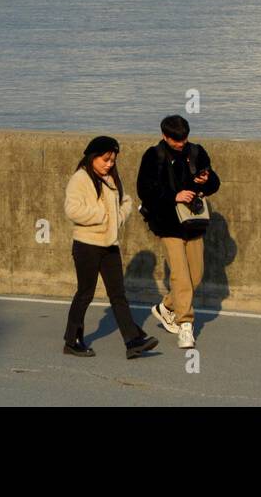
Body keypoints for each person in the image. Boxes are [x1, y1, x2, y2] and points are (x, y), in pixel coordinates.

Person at [63, 135, 158, 359]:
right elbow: (72, 209)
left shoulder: (110, 179)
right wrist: (104, 216)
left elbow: (127, 201)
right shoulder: (81, 178)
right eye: (105, 159)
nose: (109, 164)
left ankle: (132, 341)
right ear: (93, 157)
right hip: (87, 245)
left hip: (110, 245)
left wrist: (117, 217)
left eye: (112, 160)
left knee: (118, 294)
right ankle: (72, 340)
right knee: (85, 293)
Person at [135, 115, 221, 350]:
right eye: (176, 140)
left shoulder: (196, 152)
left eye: (183, 138)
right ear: (165, 136)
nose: (181, 143)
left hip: (193, 223)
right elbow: (144, 190)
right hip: (167, 223)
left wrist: (206, 180)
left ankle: (166, 307)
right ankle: (185, 325)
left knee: (196, 275)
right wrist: (174, 196)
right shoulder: (153, 156)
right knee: (181, 275)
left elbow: (214, 184)